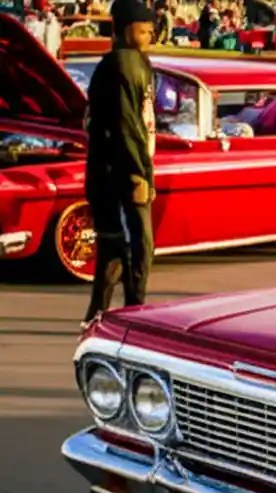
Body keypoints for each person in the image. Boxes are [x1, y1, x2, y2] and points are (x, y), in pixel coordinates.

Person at [82, 0, 156, 327]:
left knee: (112, 244)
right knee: (142, 245)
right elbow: (130, 127)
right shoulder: (127, 63)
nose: (149, 36)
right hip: (125, 169)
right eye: (143, 30)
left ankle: (98, 316)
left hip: (106, 168)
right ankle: (134, 312)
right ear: (127, 30)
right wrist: (143, 174)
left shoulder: (119, 63)